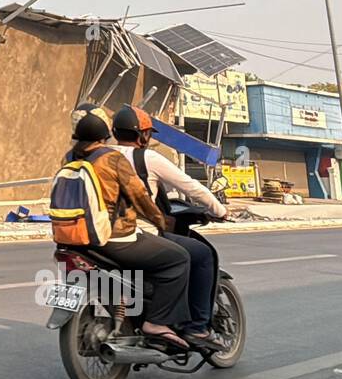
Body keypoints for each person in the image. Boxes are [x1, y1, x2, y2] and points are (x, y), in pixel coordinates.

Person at [64, 103, 193, 349]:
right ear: (105, 134)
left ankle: (129, 305)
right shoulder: (111, 158)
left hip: (73, 237)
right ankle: (156, 323)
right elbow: (140, 197)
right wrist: (161, 221)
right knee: (179, 258)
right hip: (113, 237)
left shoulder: (68, 158)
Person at [111, 104, 228, 351]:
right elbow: (191, 187)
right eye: (148, 133)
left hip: (97, 233)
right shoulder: (147, 158)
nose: (149, 137)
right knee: (200, 255)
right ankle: (196, 327)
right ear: (142, 135)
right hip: (138, 233)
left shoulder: (98, 155)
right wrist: (219, 209)